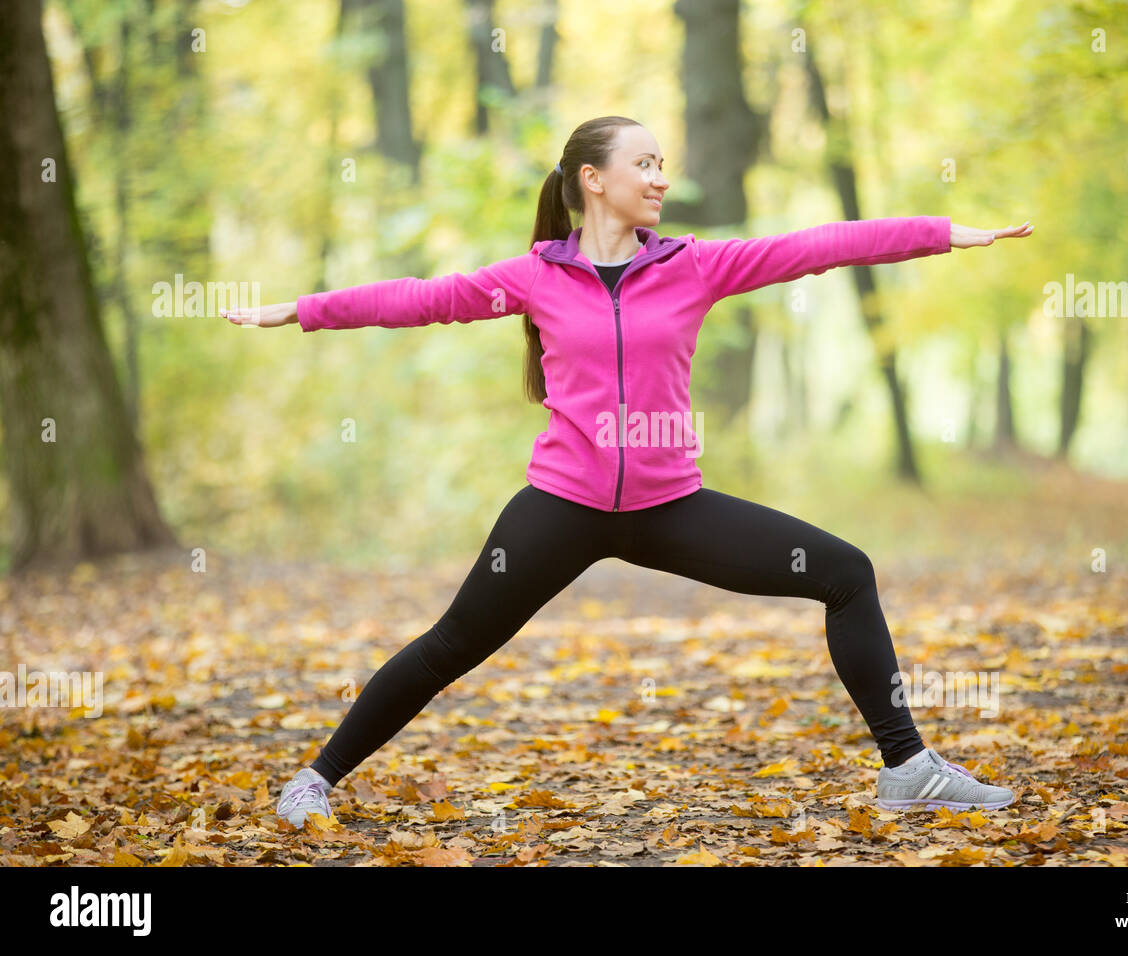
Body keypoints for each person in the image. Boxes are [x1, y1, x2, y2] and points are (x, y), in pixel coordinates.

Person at [224, 115, 1034, 828]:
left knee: (846, 573)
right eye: (644, 164)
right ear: (593, 180)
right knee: (451, 645)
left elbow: (814, 248)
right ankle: (314, 779)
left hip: (668, 507)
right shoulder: (533, 277)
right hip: (561, 506)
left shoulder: (693, 266)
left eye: (661, 164)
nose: (661, 178)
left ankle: (910, 771)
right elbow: (420, 298)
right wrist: (302, 310)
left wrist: (938, 232)